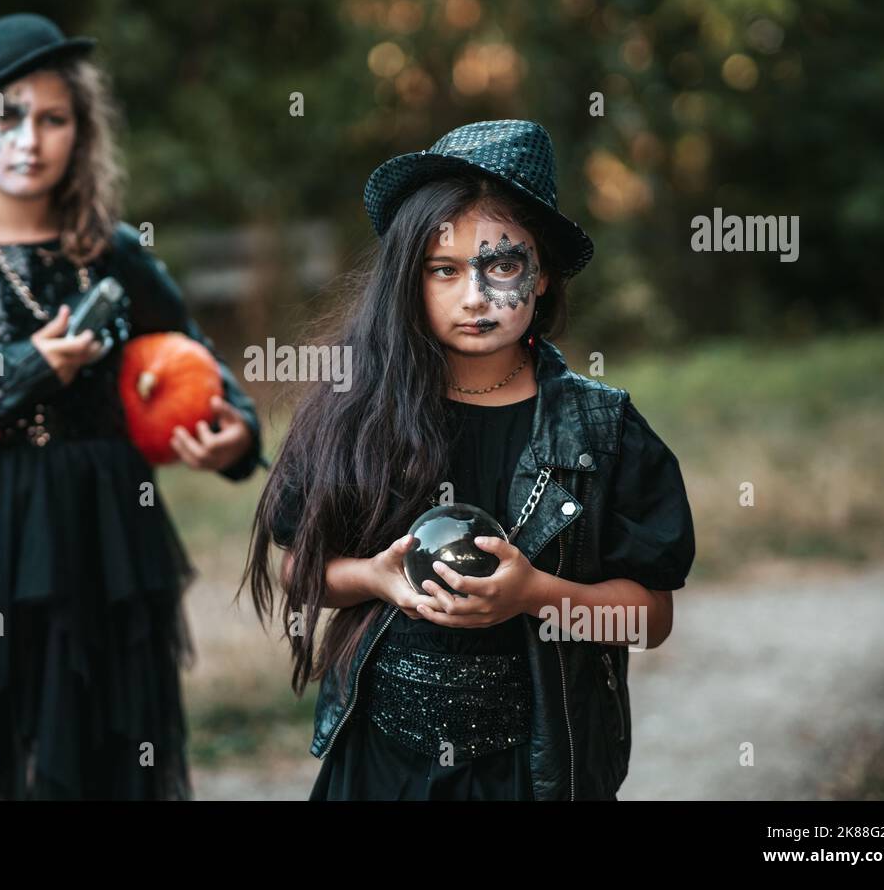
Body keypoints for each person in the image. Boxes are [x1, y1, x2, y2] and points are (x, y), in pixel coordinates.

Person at [0, 13, 263, 799]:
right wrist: (21, 375)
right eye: (2, 115)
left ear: (80, 132)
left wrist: (234, 434)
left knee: (96, 758)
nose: (28, 138)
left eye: (52, 117)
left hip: (98, 542)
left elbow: (197, 364)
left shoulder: (115, 254)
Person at [241, 120, 696, 800]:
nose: (476, 296)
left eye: (502, 265)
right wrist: (375, 577)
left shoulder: (604, 429)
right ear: (410, 280)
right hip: (382, 766)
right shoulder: (357, 413)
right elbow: (301, 573)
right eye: (444, 270)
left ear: (540, 275)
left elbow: (648, 621)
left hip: (532, 773)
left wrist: (536, 596)